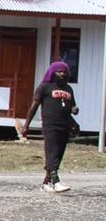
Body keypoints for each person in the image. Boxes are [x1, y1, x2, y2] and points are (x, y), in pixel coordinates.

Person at [20, 61, 79, 193]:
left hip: (65, 126)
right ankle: (56, 181)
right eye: (59, 71)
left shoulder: (69, 89)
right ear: (52, 73)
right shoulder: (44, 87)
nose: (62, 74)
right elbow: (34, 106)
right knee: (51, 152)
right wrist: (26, 125)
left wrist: (74, 111)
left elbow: (71, 106)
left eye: (64, 72)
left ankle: (46, 183)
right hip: (50, 125)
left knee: (58, 154)